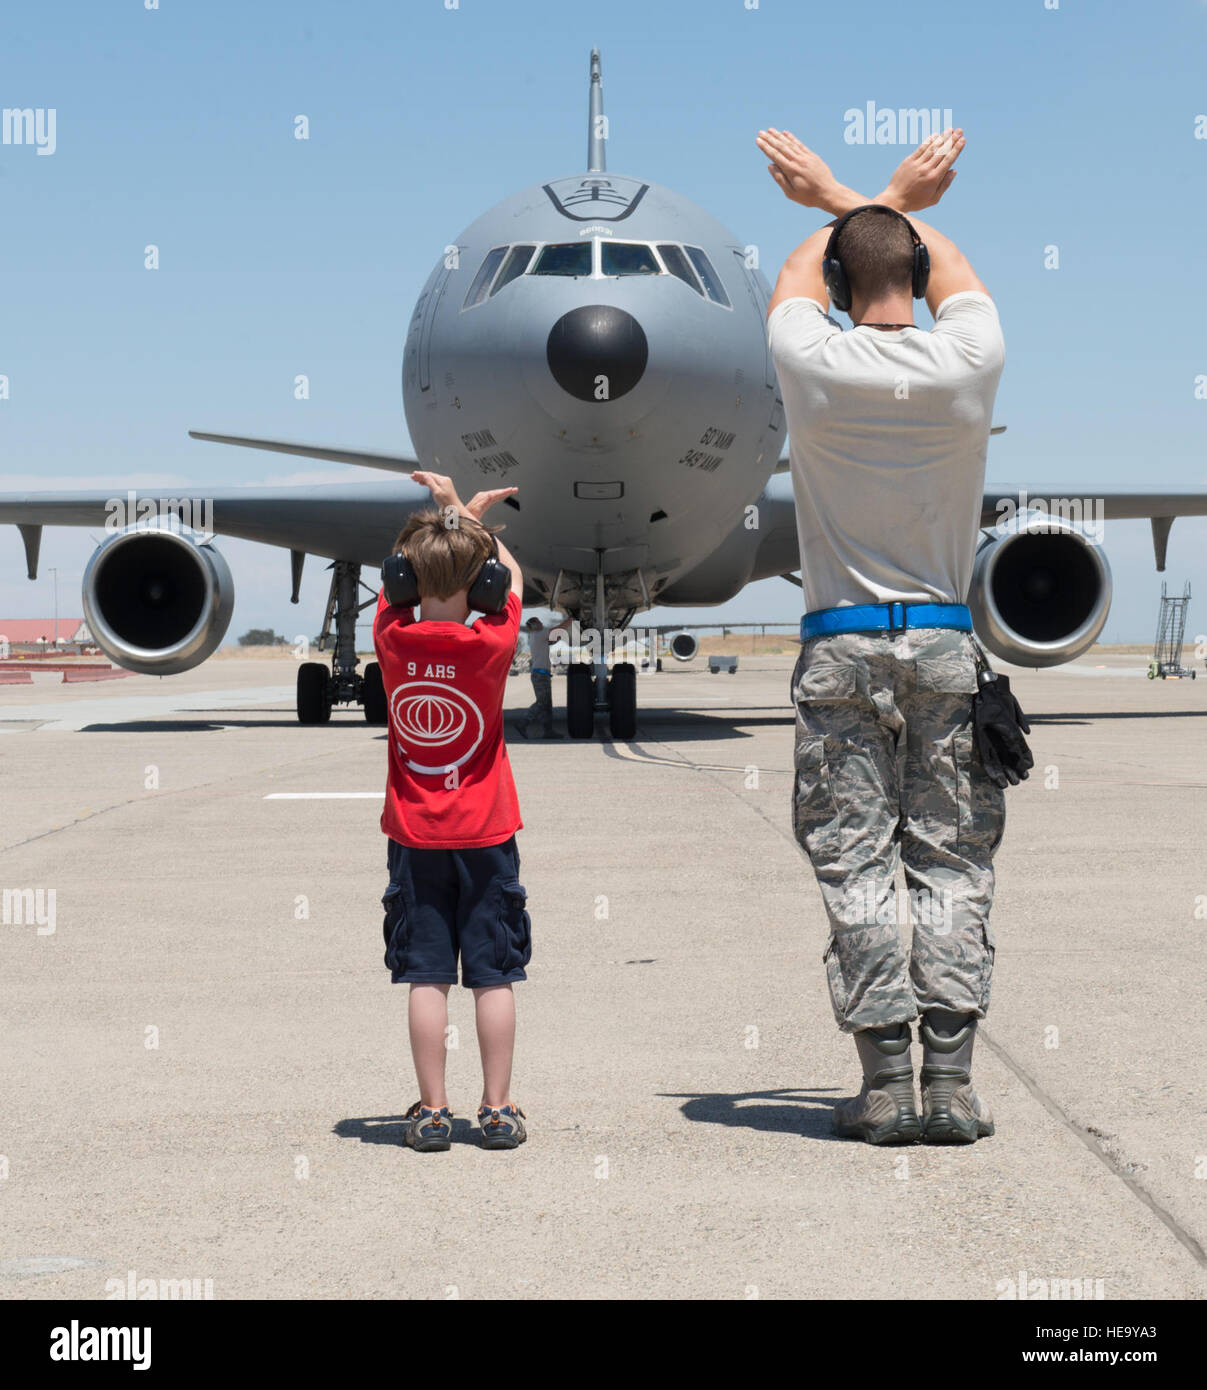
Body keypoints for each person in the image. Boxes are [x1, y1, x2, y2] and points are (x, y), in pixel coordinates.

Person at [756, 126, 1007, 1145]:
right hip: (947, 648)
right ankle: (951, 1085)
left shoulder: (807, 359)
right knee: (950, 865)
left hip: (841, 649)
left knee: (856, 867)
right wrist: (892, 196)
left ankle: (885, 1085)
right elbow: (940, 266)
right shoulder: (969, 362)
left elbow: (796, 273)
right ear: (916, 264)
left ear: (832, 277)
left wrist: (842, 198)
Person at [373, 470, 530, 1152]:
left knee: (425, 977)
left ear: (404, 585)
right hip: (487, 833)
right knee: (492, 976)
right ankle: (495, 1109)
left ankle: (432, 1111)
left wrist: (441, 517)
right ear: (485, 589)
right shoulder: (492, 643)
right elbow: (512, 576)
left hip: (414, 837)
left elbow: (392, 587)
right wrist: (464, 519)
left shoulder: (390, 639)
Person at [520, 614, 570, 738]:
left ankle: (548, 731)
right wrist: (570, 620)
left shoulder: (535, 636)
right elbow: (557, 630)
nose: (542, 624)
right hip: (541, 675)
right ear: (534, 625)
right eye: (539, 622)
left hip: (540, 674)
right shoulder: (539, 634)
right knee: (542, 702)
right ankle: (523, 723)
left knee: (546, 704)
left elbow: (554, 638)